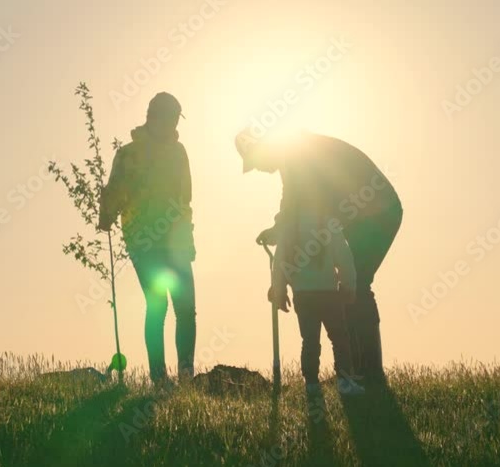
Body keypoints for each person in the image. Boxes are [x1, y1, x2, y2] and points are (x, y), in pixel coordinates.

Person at [237, 129, 403, 383]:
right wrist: (279, 228)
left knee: (356, 285)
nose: (258, 169)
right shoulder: (292, 155)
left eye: (256, 163)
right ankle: (359, 368)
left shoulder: (296, 156)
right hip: (367, 215)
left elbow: (304, 206)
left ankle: (367, 371)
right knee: (351, 286)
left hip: (376, 215)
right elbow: (294, 203)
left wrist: (283, 235)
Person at [99, 92, 196, 384]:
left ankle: (186, 376)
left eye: (177, 120)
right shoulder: (129, 154)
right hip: (144, 240)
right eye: (171, 119)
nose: (175, 126)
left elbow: (185, 197)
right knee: (159, 305)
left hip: (175, 240)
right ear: (154, 118)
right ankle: (159, 378)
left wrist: (187, 240)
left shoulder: (178, 153)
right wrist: (105, 215)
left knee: (185, 308)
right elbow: (114, 193)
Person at [269, 188, 366, 396]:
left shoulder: (289, 229)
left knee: (310, 339)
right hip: (329, 293)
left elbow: (279, 264)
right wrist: (349, 286)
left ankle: (311, 383)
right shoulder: (329, 225)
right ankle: (345, 382)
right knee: (339, 337)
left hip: (303, 295)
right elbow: (345, 259)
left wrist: (279, 290)